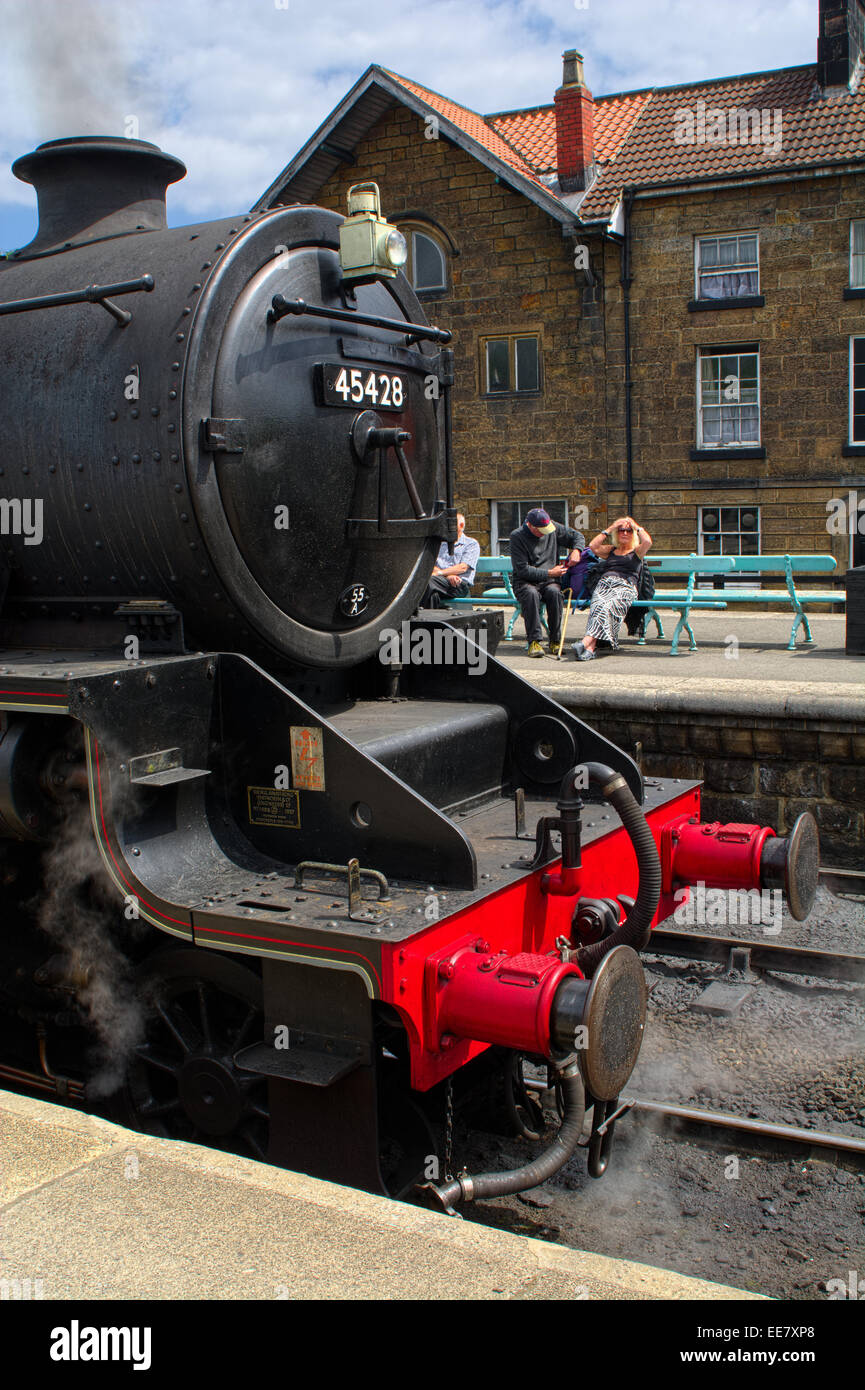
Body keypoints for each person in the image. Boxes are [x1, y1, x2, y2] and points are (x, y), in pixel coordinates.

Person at [573, 516, 653, 661]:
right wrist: (610, 528)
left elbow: (647, 541)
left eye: (628, 531)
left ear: (633, 533)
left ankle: (584, 642)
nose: (625, 533)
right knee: (598, 606)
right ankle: (590, 649)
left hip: (625, 587)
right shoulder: (611, 550)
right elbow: (593, 546)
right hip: (604, 585)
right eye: (621, 530)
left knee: (607, 607)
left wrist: (635, 525)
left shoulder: (637, 551)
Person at [509, 508, 585, 657]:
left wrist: (577, 550)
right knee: (531, 594)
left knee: (555, 593)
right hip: (525, 581)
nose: (545, 532)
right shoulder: (517, 536)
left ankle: (555, 641)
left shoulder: (552, 528)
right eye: (541, 530)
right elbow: (522, 569)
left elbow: (578, 536)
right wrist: (549, 573)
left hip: (549, 581)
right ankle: (534, 642)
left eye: (547, 528)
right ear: (530, 525)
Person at [422, 512, 480, 608]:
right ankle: (427, 621)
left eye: (449, 524)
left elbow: (462, 568)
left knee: (426, 582)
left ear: (461, 525)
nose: (445, 527)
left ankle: (413, 621)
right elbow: (431, 565)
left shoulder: (471, 544)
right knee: (432, 594)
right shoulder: (439, 543)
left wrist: (441, 573)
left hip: (458, 584)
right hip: (440, 582)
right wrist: (448, 575)